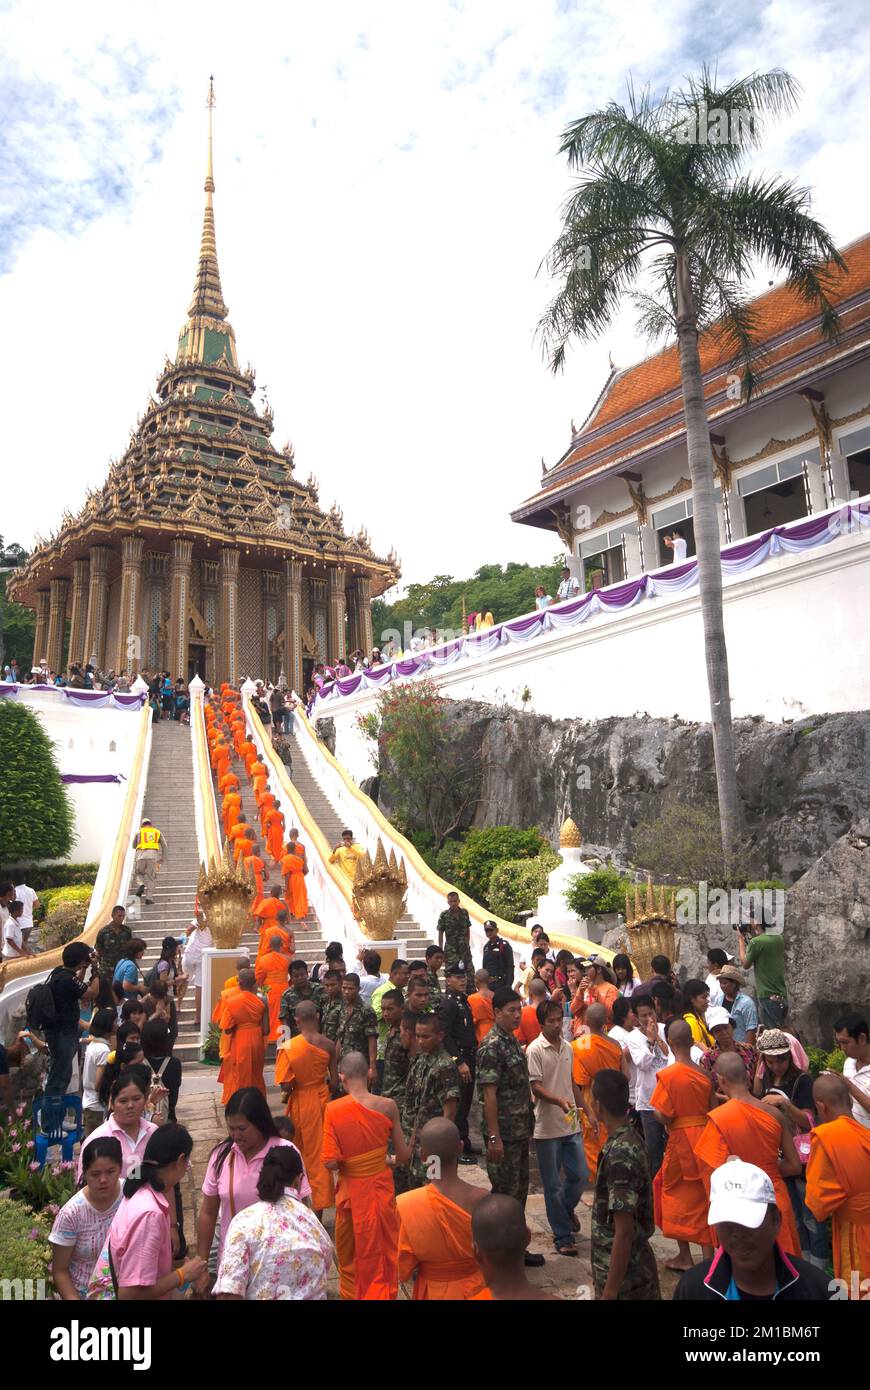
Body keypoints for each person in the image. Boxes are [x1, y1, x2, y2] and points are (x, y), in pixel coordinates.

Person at [674, 1158, 832, 1301]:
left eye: (748, 1220)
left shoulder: (817, 1289)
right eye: (727, 1221)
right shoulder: (692, 1289)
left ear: (776, 1220)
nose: (737, 1234)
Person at [197, 1087, 311, 1284]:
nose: (235, 1135)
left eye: (242, 1129)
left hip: (277, 1261)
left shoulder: (285, 1151)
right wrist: (202, 1266)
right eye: (231, 1128)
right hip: (233, 1260)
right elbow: (208, 1212)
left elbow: (302, 1208)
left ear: (260, 1123)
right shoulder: (222, 1155)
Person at [322, 1051, 412, 1300]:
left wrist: (352, 1161)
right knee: (382, 1251)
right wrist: (384, 1160)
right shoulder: (388, 1106)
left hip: (351, 1194)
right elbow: (403, 1157)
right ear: (369, 1075)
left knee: (350, 1256)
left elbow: (330, 1162)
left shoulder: (333, 1110)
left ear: (342, 1077)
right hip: (380, 1188)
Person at [694, 1053, 802, 1255]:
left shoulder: (719, 1119)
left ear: (721, 1080)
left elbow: (711, 1173)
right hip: (774, 1197)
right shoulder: (774, 1114)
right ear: (748, 1077)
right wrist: (764, 1170)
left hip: (742, 1206)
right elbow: (794, 1166)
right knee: (784, 1266)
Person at [88, 1124, 205, 1300]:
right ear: (181, 1160)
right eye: (187, 1162)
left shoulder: (142, 1189)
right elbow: (130, 1296)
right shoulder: (149, 1214)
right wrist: (183, 1275)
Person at [476, 987, 544, 1267]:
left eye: (519, 1009)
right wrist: (494, 1138)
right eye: (511, 1011)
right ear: (497, 1013)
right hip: (503, 1132)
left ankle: (514, 1248)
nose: (518, 1015)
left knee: (518, 1193)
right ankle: (497, 1254)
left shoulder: (511, 1040)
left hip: (518, 1130)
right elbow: (489, 1095)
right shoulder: (492, 1045)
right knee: (504, 1195)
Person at [213, 1145, 333, 1301]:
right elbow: (325, 1264)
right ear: (299, 1179)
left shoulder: (243, 1222)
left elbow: (229, 1293)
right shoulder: (313, 1224)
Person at [649, 1019, 715, 1272]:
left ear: (671, 1042)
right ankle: (709, 1257)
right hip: (706, 1140)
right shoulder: (704, 1074)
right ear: (690, 1041)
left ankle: (685, 1256)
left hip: (680, 1141)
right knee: (704, 1195)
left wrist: (662, 1117)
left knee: (672, 1191)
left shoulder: (669, 1075)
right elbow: (712, 1109)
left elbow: (663, 1115)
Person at [397, 1119, 488, 1299]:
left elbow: (403, 1266)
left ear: (423, 1156)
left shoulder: (408, 1204)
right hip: (476, 1289)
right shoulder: (482, 1199)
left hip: (432, 1291)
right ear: (461, 1147)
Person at [752, 1027, 822, 1262]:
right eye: (769, 1062)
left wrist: (783, 1103)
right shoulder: (769, 1077)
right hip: (779, 1154)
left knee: (811, 1216)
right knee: (791, 1214)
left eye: (779, 1061)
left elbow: (808, 1121)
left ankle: (818, 1264)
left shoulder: (802, 1081)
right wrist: (760, 1076)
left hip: (801, 1159)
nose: (775, 1066)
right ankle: (801, 1259)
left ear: (789, 1057)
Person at [591, 1069, 661, 1300]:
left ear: (598, 1106)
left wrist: (610, 1291)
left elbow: (624, 1229)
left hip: (627, 1278)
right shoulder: (630, 1139)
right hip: (629, 1268)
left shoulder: (621, 1153)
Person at [527, 998, 589, 1257]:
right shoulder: (534, 1050)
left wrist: (584, 1109)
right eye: (550, 1021)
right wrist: (558, 1100)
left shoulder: (568, 1047)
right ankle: (562, 1236)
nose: (556, 1025)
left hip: (570, 1120)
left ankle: (565, 1210)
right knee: (552, 1184)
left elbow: (572, 1082)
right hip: (546, 1125)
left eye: (558, 1020)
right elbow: (536, 1087)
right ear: (542, 1024)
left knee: (580, 1175)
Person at [805, 1072, 870, 1286]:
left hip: (856, 1235)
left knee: (857, 1289)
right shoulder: (865, 1133)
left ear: (821, 1106)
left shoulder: (828, 1137)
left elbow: (818, 1205)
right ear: (850, 1101)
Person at [275, 1000, 336, 1215]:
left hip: (300, 1102)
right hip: (321, 1102)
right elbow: (335, 1082)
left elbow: (284, 1083)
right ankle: (318, 1211)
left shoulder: (289, 1045)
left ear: (297, 1020)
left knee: (299, 1152)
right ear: (317, 1017)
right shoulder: (328, 1044)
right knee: (320, 1154)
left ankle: (299, 1207)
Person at [50, 1136, 124, 1300]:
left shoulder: (131, 1196)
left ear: (120, 1168)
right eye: (95, 1174)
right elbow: (60, 1271)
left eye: (110, 1172)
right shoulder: (71, 1214)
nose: (103, 1180)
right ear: (84, 1173)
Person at [401, 1012, 461, 1187]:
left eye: (426, 1036)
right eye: (418, 1036)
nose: (420, 1041)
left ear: (440, 1036)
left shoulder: (445, 1066)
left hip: (434, 1148)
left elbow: (449, 1113)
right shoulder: (421, 1059)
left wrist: (441, 1149)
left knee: (433, 1190)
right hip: (416, 1143)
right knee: (415, 1193)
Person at [571, 1001, 622, 1183]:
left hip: (590, 1100)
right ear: (606, 1021)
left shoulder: (579, 1045)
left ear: (586, 1021)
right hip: (613, 1097)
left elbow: (577, 1081)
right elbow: (627, 1076)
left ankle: (597, 1180)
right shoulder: (615, 1045)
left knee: (591, 1141)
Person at [43, 942, 100, 1098]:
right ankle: (52, 1114)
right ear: (81, 960)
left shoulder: (59, 973)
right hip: (63, 1034)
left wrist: (84, 968)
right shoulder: (67, 980)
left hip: (57, 1033)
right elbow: (92, 992)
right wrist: (95, 970)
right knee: (60, 1076)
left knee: (61, 1073)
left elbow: (77, 984)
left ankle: (54, 1109)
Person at [78, 1071, 157, 1183]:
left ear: (145, 1100)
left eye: (136, 1099)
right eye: (123, 1101)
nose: (130, 1105)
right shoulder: (96, 1139)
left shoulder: (154, 1133)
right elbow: (85, 1183)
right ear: (112, 1103)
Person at [623, 992, 669, 1178]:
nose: (649, 1018)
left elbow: (670, 1055)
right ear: (635, 1016)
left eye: (651, 1013)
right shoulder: (633, 1038)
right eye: (643, 1016)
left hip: (669, 1098)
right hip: (648, 1101)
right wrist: (650, 1040)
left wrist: (657, 1037)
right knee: (654, 1152)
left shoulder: (665, 1029)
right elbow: (643, 1063)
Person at [439, 962, 478, 1161]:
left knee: (466, 1104)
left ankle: (464, 1141)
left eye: (464, 977)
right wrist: (458, 1061)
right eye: (457, 978)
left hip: (469, 1055)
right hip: (459, 1058)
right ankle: (456, 1149)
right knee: (458, 1105)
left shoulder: (463, 1000)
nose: (462, 981)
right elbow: (445, 1036)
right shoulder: (448, 1003)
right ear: (448, 979)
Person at [217, 967, 269, 1104]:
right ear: (254, 983)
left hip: (240, 1040)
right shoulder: (263, 1000)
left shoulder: (232, 1002)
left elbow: (227, 1030)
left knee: (241, 1074)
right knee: (257, 1073)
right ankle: (259, 1103)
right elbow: (266, 1030)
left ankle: (244, 1104)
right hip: (257, 1039)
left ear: (239, 983)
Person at [324, 973, 378, 1081]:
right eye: (344, 988)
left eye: (350, 988)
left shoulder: (366, 1011)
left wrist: (372, 1067)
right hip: (343, 1064)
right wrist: (334, 1063)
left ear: (358, 989)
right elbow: (340, 1037)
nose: (347, 991)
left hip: (359, 1064)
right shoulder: (342, 1008)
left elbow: (371, 1039)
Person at [737, 917, 788, 1028]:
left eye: (752, 920)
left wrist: (741, 940)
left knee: (773, 1038)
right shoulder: (778, 937)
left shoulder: (756, 942)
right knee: (782, 1032)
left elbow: (745, 964)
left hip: (767, 995)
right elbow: (762, 944)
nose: (750, 923)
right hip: (781, 994)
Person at [699, 1005, 757, 1085]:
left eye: (725, 1028)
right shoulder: (707, 1058)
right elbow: (708, 1088)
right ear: (712, 1034)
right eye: (718, 1030)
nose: (723, 1033)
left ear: (732, 1026)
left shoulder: (748, 1050)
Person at [81, 1007, 116, 1135]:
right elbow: (98, 1084)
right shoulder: (103, 1050)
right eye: (114, 1022)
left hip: (89, 1101)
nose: (116, 1025)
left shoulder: (93, 1045)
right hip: (96, 1105)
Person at [141, 1018, 182, 1123]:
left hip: (145, 1118)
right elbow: (175, 1090)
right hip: (168, 1118)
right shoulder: (174, 1064)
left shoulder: (140, 1064)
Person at [833, 1013, 870, 1127]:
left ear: (862, 1038)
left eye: (845, 1042)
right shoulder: (849, 1062)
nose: (842, 1048)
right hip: (854, 1136)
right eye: (839, 1043)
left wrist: (848, 1085)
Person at [255, 935, 290, 1042]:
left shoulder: (263, 960)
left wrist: (261, 988)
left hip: (268, 990)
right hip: (285, 988)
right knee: (284, 1014)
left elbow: (259, 978)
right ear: (282, 945)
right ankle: (283, 1039)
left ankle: (270, 1039)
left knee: (270, 1014)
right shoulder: (287, 959)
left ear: (269, 945)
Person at [279, 959, 326, 1037]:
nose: (300, 978)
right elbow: (284, 1020)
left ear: (307, 974)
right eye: (296, 976)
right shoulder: (287, 995)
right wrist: (286, 1042)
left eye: (302, 974)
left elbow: (326, 1014)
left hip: (318, 1036)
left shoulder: (319, 990)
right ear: (291, 977)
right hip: (297, 1039)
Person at [609, 995, 640, 1115]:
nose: (636, 1014)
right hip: (629, 1097)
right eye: (632, 1011)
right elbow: (622, 1059)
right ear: (623, 1015)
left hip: (641, 1093)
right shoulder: (615, 1034)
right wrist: (641, 1037)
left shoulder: (635, 1030)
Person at [182, 912, 213, 1028]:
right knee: (199, 986)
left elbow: (188, 930)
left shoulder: (203, 916)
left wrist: (183, 939)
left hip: (191, 953)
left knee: (183, 979)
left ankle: (179, 1005)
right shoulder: (219, 918)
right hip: (203, 956)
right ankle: (197, 1017)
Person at [715, 964, 758, 1045]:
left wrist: (748, 1050)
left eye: (725, 983)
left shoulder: (746, 1003)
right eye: (720, 983)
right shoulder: (719, 999)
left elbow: (751, 1029)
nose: (722, 986)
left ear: (734, 983)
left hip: (741, 1046)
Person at [131, 817, 166, 905]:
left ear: (142, 825)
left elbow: (133, 845)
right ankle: (149, 898)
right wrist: (163, 858)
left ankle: (141, 885)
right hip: (153, 857)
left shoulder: (139, 832)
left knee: (139, 874)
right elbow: (165, 846)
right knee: (151, 877)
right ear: (150, 824)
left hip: (140, 856)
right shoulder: (157, 832)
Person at [95, 905, 132, 980]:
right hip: (106, 970)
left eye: (123, 916)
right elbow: (98, 951)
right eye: (119, 916)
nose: (121, 918)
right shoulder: (103, 932)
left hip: (122, 969)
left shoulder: (127, 931)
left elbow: (130, 948)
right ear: (112, 915)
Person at [436, 891, 472, 968]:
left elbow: (468, 929)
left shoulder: (464, 913)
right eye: (451, 901)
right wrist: (440, 950)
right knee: (451, 975)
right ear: (448, 902)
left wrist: (468, 944)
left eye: (455, 901)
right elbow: (440, 933)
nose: (453, 903)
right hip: (451, 951)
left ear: (459, 901)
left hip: (464, 950)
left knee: (469, 974)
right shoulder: (444, 915)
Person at [681, 979, 714, 1048]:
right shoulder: (691, 1022)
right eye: (704, 997)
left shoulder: (698, 1018)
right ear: (692, 999)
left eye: (707, 997)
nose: (707, 1001)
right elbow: (699, 1053)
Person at [481, 919, 514, 991]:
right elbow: (485, 966)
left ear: (496, 930)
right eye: (487, 930)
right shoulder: (486, 947)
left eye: (491, 930)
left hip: (501, 983)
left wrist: (508, 985)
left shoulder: (504, 945)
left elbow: (510, 966)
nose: (489, 932)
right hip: (489, 984)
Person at [281, 842, 309, 920]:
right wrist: (300, 875)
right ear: (295, 849)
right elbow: (306, 870)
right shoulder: (299, 859)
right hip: (300, 878)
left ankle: (292, 912)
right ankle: (301, 914)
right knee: (300, 896)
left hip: (292, 878)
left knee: (290, 896)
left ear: (287, 849)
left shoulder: (286, 859)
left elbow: (287, 873)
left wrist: (286, 886)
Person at [467, 968, 495, 1043]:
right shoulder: (495, 996)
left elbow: (472, 1022)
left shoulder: (472, 998)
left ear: (476, 981)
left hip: (481, 1034)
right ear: (489, 980)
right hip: (496, 1031)